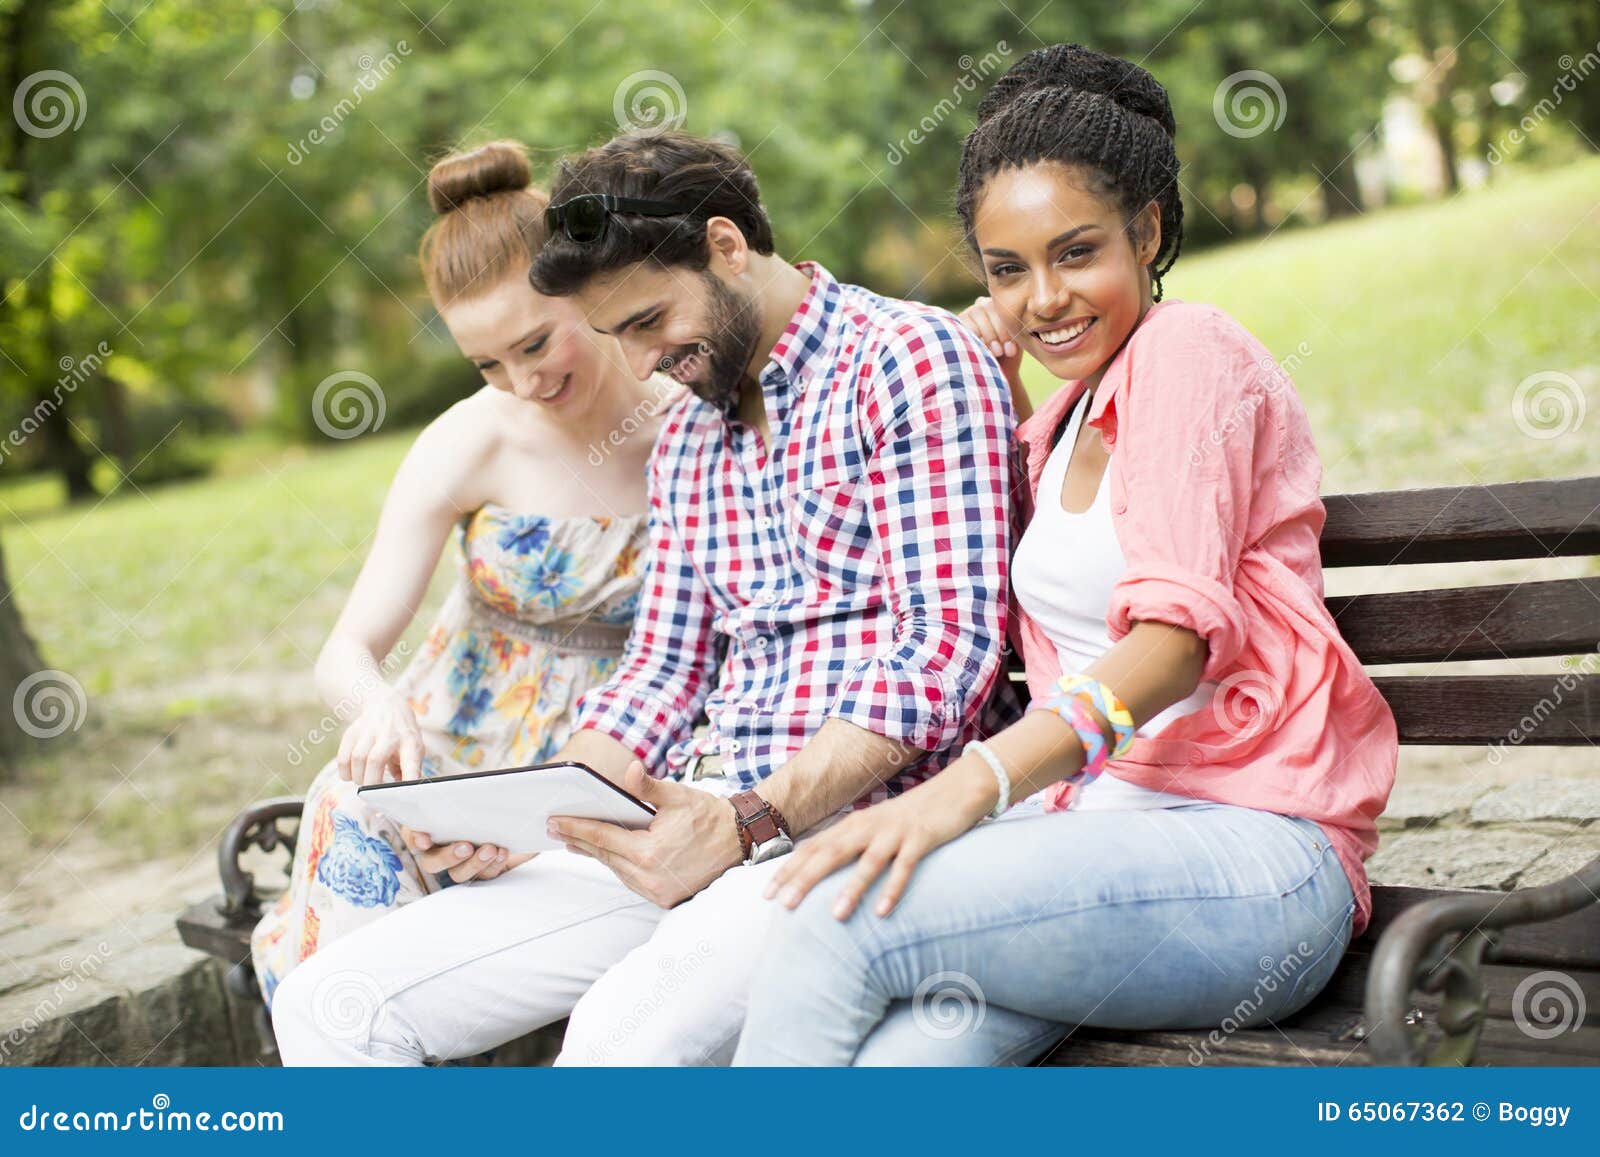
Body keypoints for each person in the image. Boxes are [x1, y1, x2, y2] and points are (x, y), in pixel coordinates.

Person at [266, 129, 1017, 1065]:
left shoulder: (908, 360)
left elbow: (946, 650)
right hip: (688, 821)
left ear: (726, 245)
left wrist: (747, 818)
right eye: (618, 334)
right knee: (331, 1002)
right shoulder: (691, 441)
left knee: (611, 1049)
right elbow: (661, 670)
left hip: (857, 827)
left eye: (650, 321)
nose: (643, 360)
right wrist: (542, 822)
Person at [733, 44, 1398, 1066]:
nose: (1042, 297)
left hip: (1250, 853)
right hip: (1090, 848)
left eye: (1075, 252)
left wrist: (965, 787)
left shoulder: (1190, 350)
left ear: (1149, 229)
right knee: (907, 1065)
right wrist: (980, 375)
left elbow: (1170, 643)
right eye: (1008, 270)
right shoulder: (1057, 422)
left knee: (836, 911)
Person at [250, 141, 675, 1006]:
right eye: (487, 363)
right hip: (462, 752)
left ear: (587, 290)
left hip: (622, 749)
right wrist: (378, 705)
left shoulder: (688, 417)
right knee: (353, 802)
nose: (522, 381)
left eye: (535, 342)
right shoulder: (467, 441)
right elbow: (349, 646)